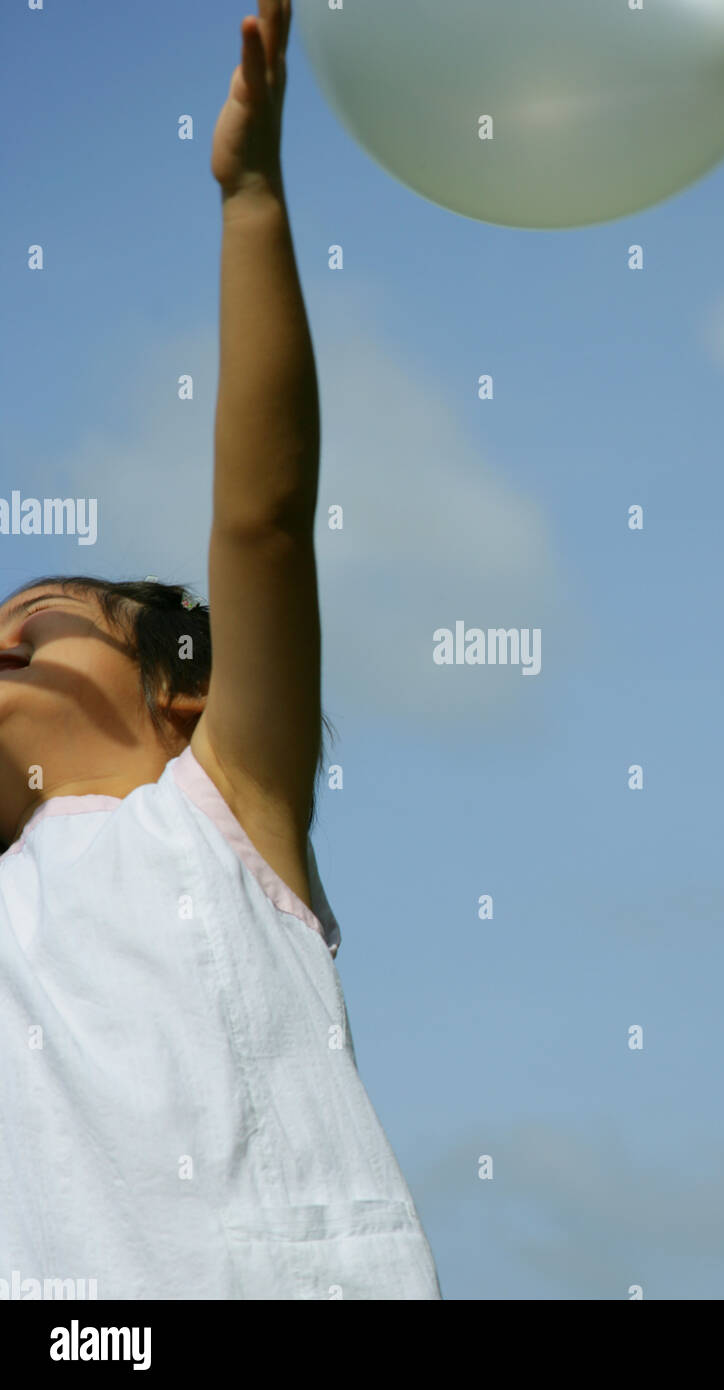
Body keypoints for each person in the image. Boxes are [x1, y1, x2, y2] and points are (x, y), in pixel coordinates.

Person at [0, 0, 442, 1301]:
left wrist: (251, 201)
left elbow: (262, 516)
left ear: (179, 686)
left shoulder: (221, 815)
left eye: (29, 637)